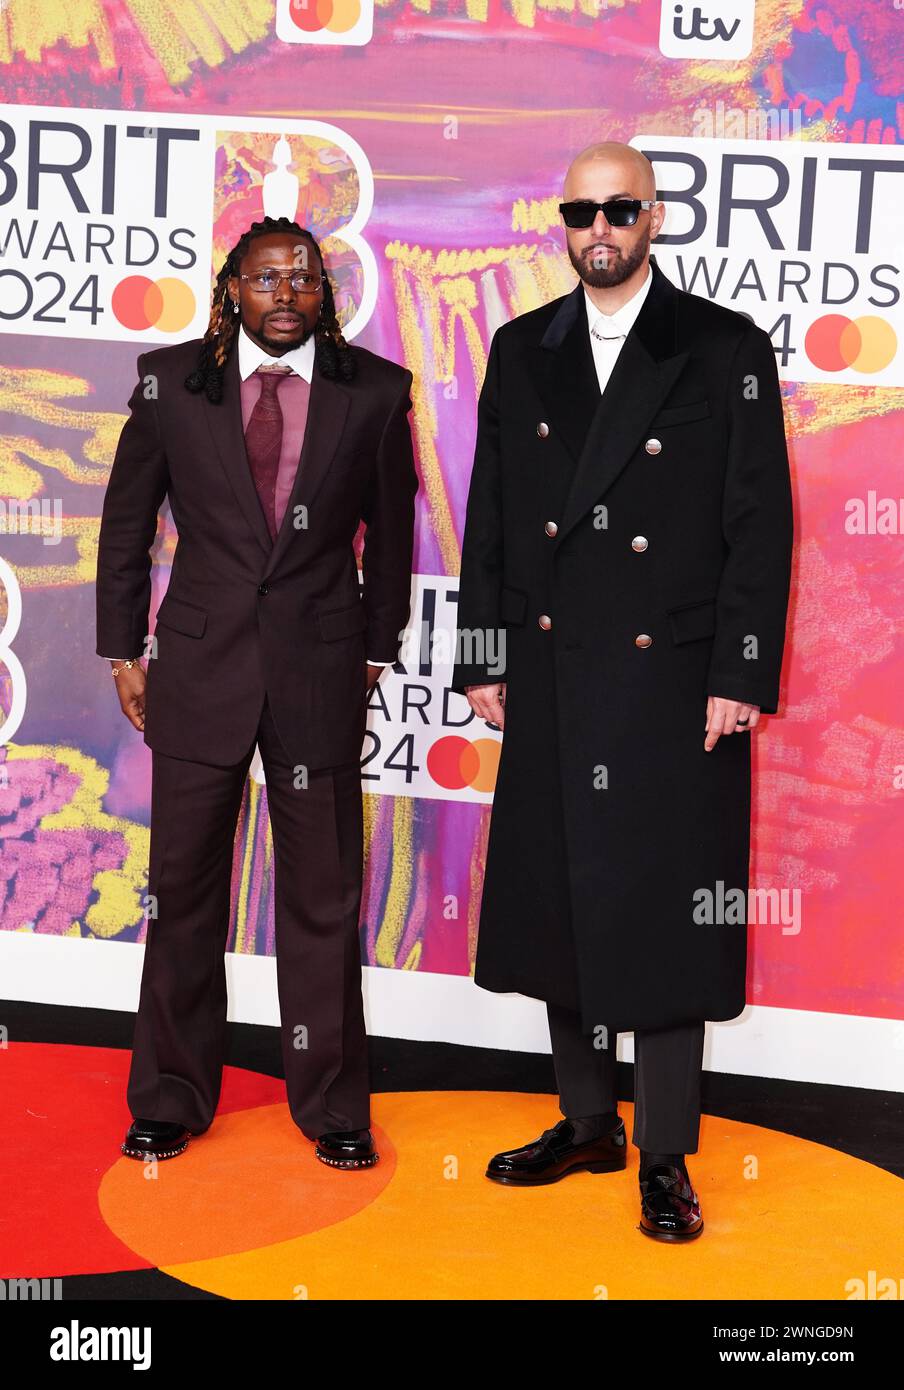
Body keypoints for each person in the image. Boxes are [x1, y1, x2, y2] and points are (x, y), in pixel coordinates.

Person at [450, 142, 793, 1240]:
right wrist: (487, 652)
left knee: (662, 914)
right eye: (578, 210)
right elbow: (492, 519)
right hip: (553, 667)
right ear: (562, 221)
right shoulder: (521, 349)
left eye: (617, 209)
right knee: (562, 900)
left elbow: (760, 523)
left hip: (674, 681)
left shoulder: (721, 348)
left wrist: (739, 674)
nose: (596, 227)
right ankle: (588, 1118)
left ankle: (666, 1152)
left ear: (653, 217)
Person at [96, 216, 418, 1170]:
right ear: (232, 286)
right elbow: (126, 523)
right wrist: (123, 648)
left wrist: (374, 651)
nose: (286, 293)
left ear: (327, 294)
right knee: (183, 891)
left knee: (322, 896)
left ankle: (332, 1108)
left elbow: (391, 541)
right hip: (196, 671)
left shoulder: (375, 395)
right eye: (267, 277)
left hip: (318, 673)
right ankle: (170, 1094)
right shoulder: (170, 384)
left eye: (305, 278)